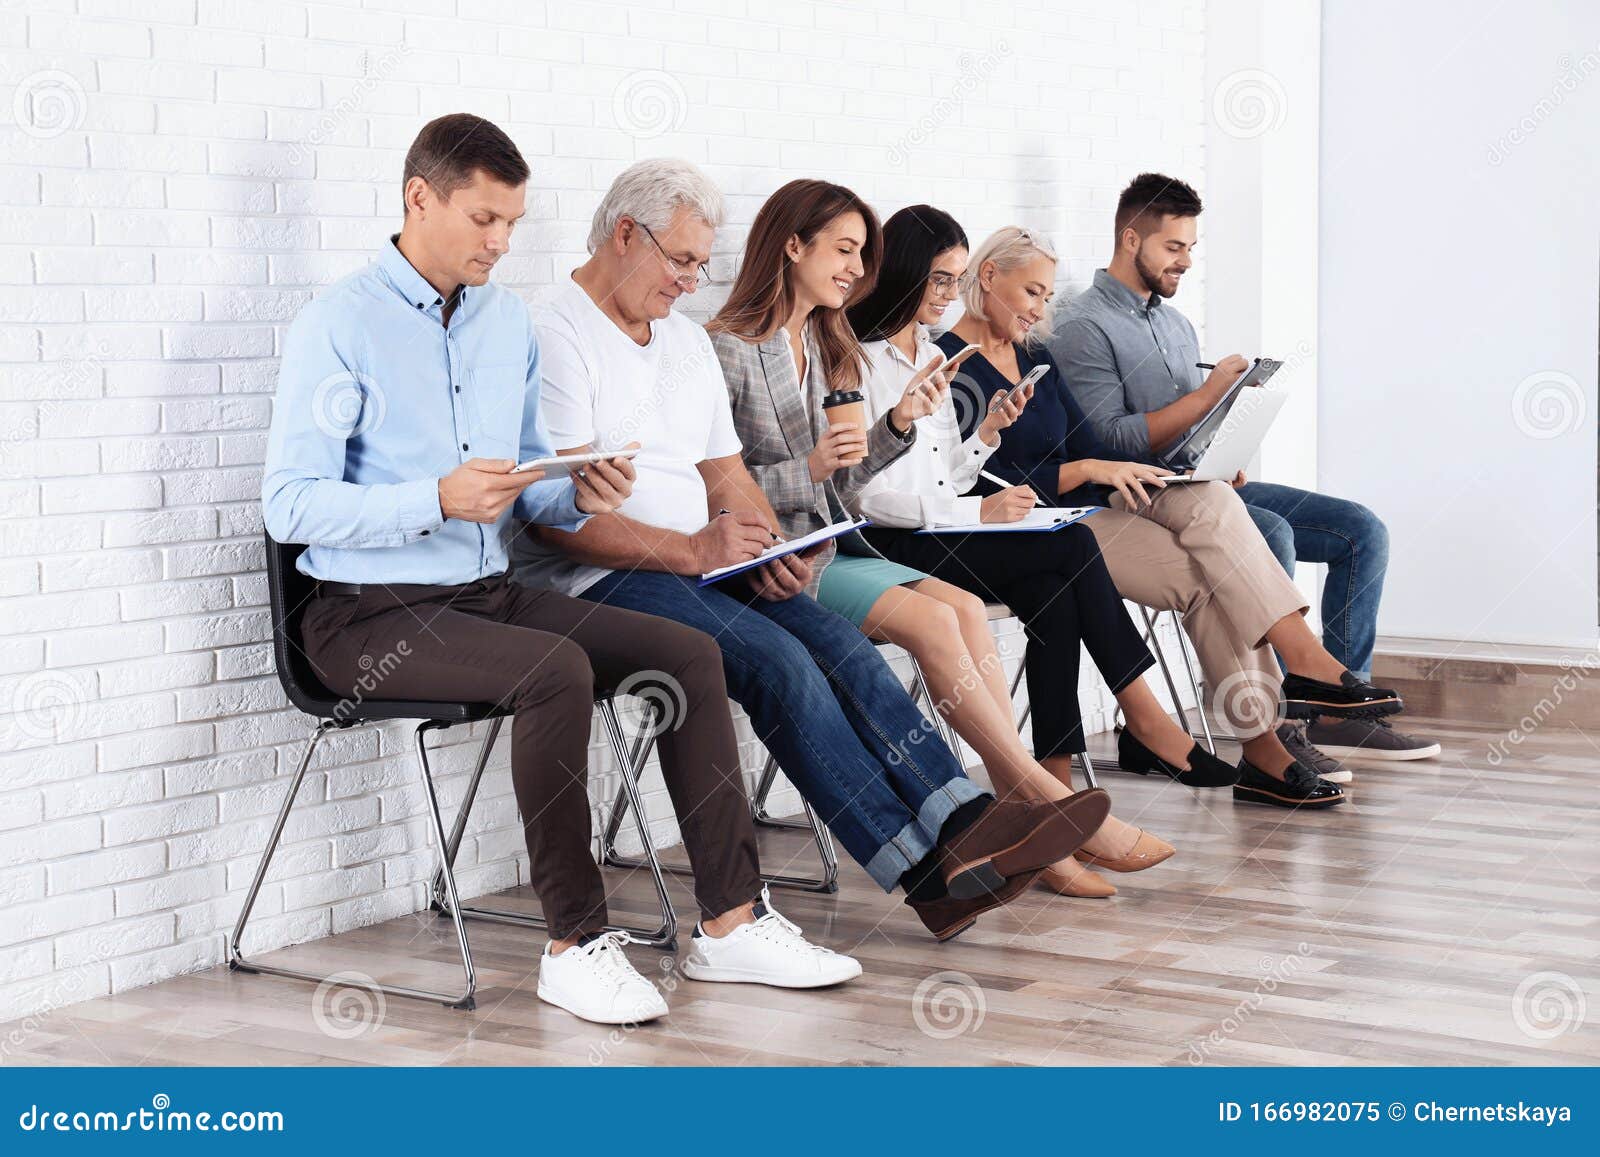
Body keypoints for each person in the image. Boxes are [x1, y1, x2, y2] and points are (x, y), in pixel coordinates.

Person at [262, 115, 867, 1029]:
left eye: (512, 221)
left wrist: (584, 490)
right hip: (363, 617)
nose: (502, 243)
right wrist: (432, 498)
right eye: (484, 219)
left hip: (485, 595)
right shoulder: (337, 323)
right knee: (557, 671)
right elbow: (290, 506)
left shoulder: (504, 322)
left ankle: (731, 922)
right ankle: (574, 945)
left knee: (689, 652)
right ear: (417, 198)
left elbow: (536, 493)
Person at [509, 159, 1111, 943]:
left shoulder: (684, 342)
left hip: (706, 557)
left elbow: (724, 472)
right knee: (780, 659)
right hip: (599, 577)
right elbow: (557, 519)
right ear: (625, 235)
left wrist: (771, 548)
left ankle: (964, 828)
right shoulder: (555, 332)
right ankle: (928, 876)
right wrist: (696, 550)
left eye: (701, 262)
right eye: (683, 260)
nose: (694, 280)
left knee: (834, 640)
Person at [710, 185, 1175, 898]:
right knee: (949, 609)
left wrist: (917, 427)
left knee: (961, 605)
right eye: (845, 251)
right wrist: (833, 460)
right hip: (786, 555)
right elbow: (722, 484)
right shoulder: (732, 348)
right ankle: (1041, 807)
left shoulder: (823, 342)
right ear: (792, 246)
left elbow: (853, 470)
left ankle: (1033, 813)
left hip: (836, 541)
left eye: (863, 255)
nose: (856, 269)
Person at [1051, 173, 1439, 763]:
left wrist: (1224, 441)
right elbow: (1112, 439)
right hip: (1145, 491)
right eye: (1173, 248)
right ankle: (1283, 726)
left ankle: (1337, 708)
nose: (1185, 262)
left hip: (1202, 477)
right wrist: (1209, 395)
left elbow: (1184, 424)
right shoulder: (1084, 326)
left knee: (1362, 530)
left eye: (1191, 249)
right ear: (1131, 240)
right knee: (1272, 532)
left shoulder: (1174, 323)